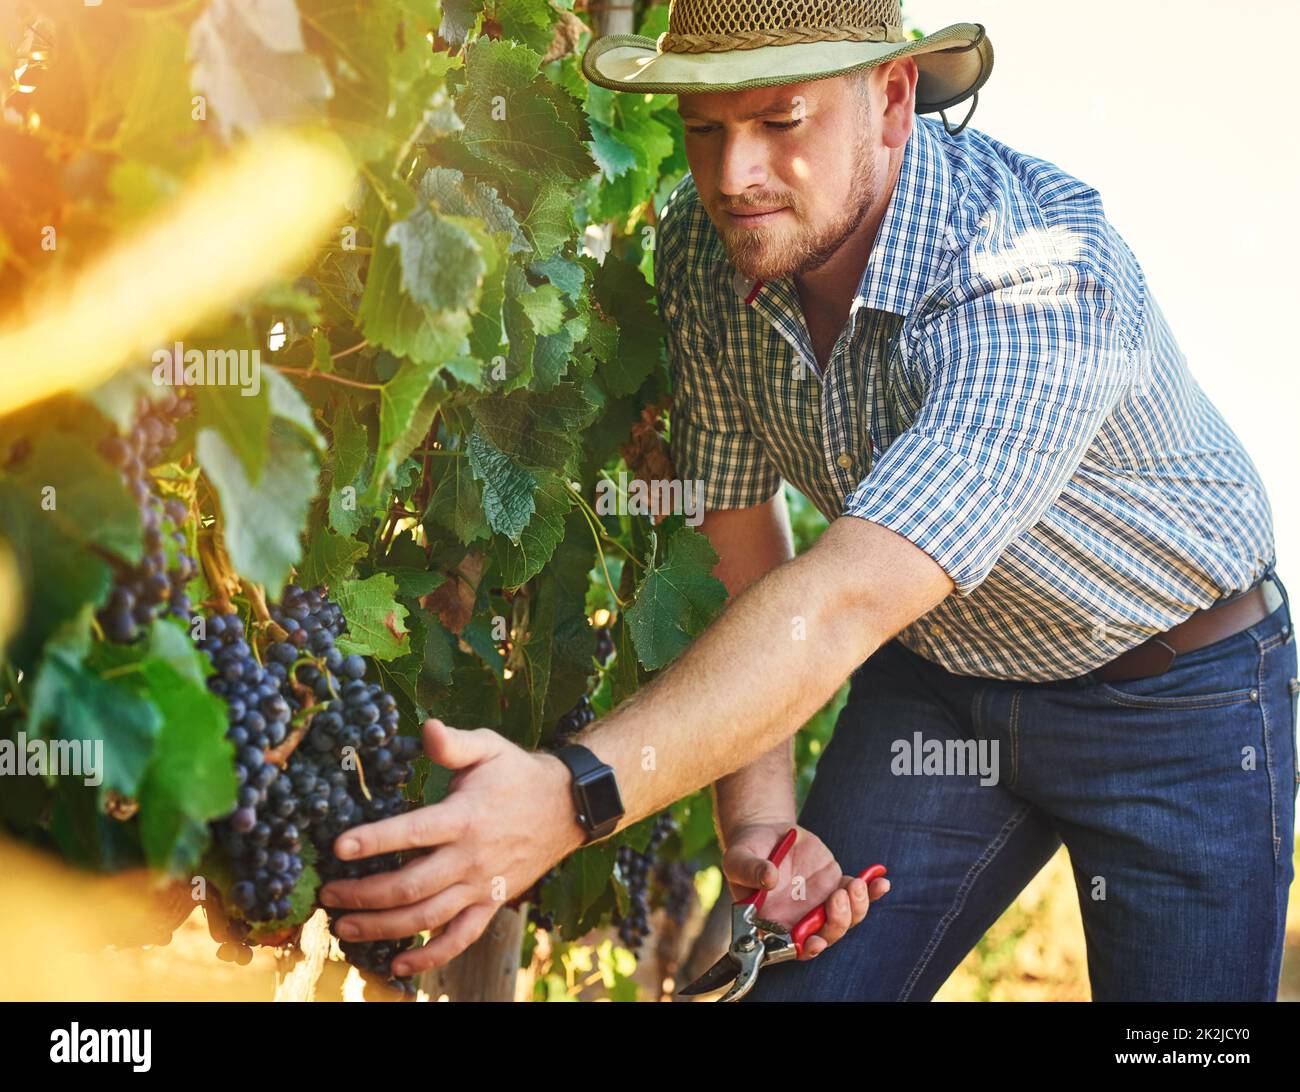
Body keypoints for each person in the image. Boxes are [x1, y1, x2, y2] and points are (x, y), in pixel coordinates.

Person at [316, 0, 1298, 1001]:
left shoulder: (1041, 275)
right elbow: (739, 525)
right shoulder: (708, 256)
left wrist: (573, 795)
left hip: (1178, 703)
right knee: (797, 991)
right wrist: (757, 826)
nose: (732, 175)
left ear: (891, 100)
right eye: (703, 128)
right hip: (942, 684)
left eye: (780, 123)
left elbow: (845, 599)